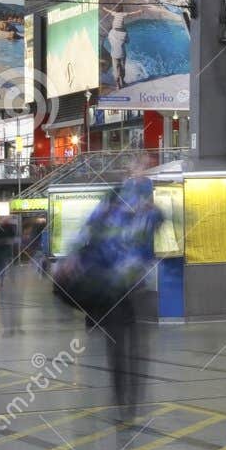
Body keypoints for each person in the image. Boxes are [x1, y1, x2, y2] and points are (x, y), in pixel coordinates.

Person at [66, 175, 164, 421]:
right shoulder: (124, 218)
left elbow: (80, 242)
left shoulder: (110, 218)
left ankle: (125, 398)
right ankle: (128, 398)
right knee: (130, 346)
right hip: (128, 290)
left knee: (122, 345)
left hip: (121, 290)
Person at [105, 8, 130, 89]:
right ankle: (122, 82)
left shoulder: (111, 33)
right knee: (122, 68)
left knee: (116, 69)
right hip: (122, 54)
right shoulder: (124, 33)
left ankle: (117, 85)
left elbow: (109, 39)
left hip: (114, 54)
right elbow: (128, 41)